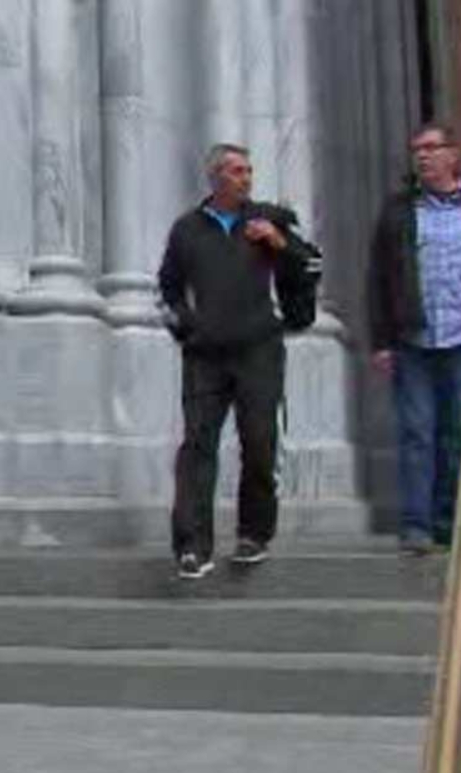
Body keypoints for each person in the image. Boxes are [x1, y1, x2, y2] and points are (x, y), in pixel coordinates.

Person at [157, 142, 322, 579]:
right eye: (236, 171)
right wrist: (186, 325)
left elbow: (311, 265)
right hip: (205, 353)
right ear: (214, 177)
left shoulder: (268, 220)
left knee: (260, 441)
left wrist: (279, 243)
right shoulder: (187, 229)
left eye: (249, 171)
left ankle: (253, 534)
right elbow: (168, 287)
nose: (246, 178)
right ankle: (192, 546)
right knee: (197, 446)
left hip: (258, 349)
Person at [367, 122, 461, 557]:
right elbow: (380, 277)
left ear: (454, 154)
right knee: (417, 432)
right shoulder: (399, 210)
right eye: (418, 150)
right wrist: (381, 340)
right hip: (414, 337)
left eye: (432, 148)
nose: (423, 156)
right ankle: (417, 524)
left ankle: (450, 521)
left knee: (457, 434)